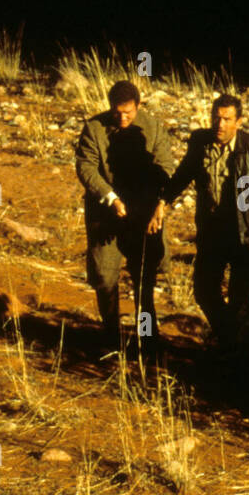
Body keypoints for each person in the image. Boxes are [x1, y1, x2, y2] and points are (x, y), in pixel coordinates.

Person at [163, 94, 249, 366]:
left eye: (226, 119)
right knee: (203, 290)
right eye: (216, 118)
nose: (219, 124)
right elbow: (184, 174)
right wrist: (163, 200)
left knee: (240, 298)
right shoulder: (200, 142)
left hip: (246, 232)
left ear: (239, 122)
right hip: (212, 230)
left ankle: (241, 362)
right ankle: (229, 340)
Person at [75, 80, 174, 358]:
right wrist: (111, 198)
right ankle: (111, 336)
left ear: (138, 105)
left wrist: (159, 203)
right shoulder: (94, 128)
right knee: (105, 278)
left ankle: (146, 338)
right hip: (106, 215)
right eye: (117, 112)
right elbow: (86, 167)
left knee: (144, 278)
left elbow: (165, 165)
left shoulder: (152, 127)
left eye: (128, 112)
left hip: (143, 215)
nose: (123, 117)